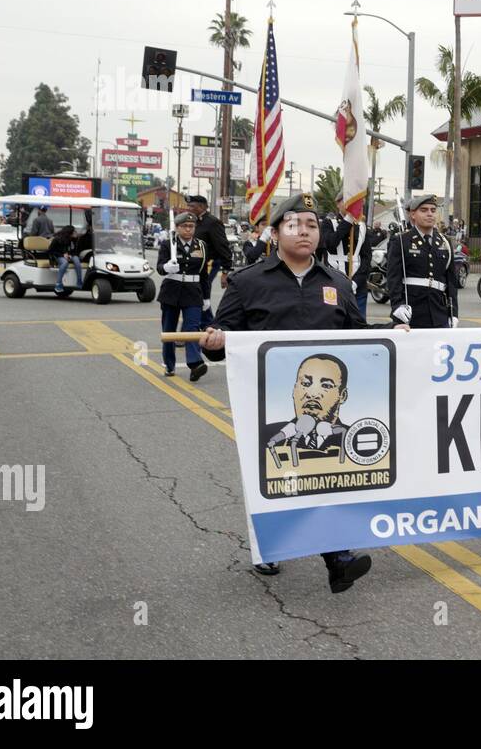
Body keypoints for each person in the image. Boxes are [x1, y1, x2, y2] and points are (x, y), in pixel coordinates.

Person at [197, 191, 406, 592]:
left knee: (324, 471)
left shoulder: (338, 283)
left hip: (323, 403)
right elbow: (226, 341)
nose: (305, 232)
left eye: (312, 225)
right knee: (277, 475)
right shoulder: (247, 282)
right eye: (295, 225)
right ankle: (271, 545)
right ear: (275, 233)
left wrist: (391, 335)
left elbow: (357, 338)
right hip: (267, 399)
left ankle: (339, 555)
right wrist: (215, 343)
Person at [385, 193, 458, 330]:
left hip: (439, 314)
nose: (430, 214)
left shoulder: (444, 242)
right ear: (413, 215)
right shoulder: (401, 241)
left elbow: (451, 282)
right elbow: (393, 278)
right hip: (410, 313)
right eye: (424, 210)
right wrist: (397, 306)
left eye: (433, 210)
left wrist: (454, 313)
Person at [157, 213, 208, 381]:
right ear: (177, 228)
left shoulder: (201, 246)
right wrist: (166, 267)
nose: (188, 229)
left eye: (191, 226)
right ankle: (169, 364)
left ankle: (195, 364)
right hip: (171, 291)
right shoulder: (168, 244)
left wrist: (206, 298)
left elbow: (203, 274)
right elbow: (159, 268)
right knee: (169, 330)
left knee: (191, 329)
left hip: (193, 292)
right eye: (184, 226)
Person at [187, 195, 232, 329]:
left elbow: (222, 246)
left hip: (209, 264)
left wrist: (225, 270)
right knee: (197, 292)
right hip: (195, 264)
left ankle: (203, 325)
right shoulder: (194, 222)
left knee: (200, 291)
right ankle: (207, 324)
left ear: (202, 207)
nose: (189, 209)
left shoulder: (213, 222)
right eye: (189, 206)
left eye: (192, 206)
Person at [320, 212, 374, 318]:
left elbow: (366, 258)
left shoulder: (362, 226)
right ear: (338, 203)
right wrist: (347, 222)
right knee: (333, 322)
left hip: (357, 285)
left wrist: (356, 282)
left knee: (358, 325)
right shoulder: (329, 223)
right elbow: (330, 244)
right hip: (333, 282)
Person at [49, 225, 83, 293]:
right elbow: (51, 251)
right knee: (65, 263)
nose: (76, 232)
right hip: (58, 256)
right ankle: (58, 284)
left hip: (69, 255)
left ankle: (79, 281)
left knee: (76, 260)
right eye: (74, 231)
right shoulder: (57, 239)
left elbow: (75, 251)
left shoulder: (73, 240)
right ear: (69, 233)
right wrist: (62, 255)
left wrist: (70, 255)